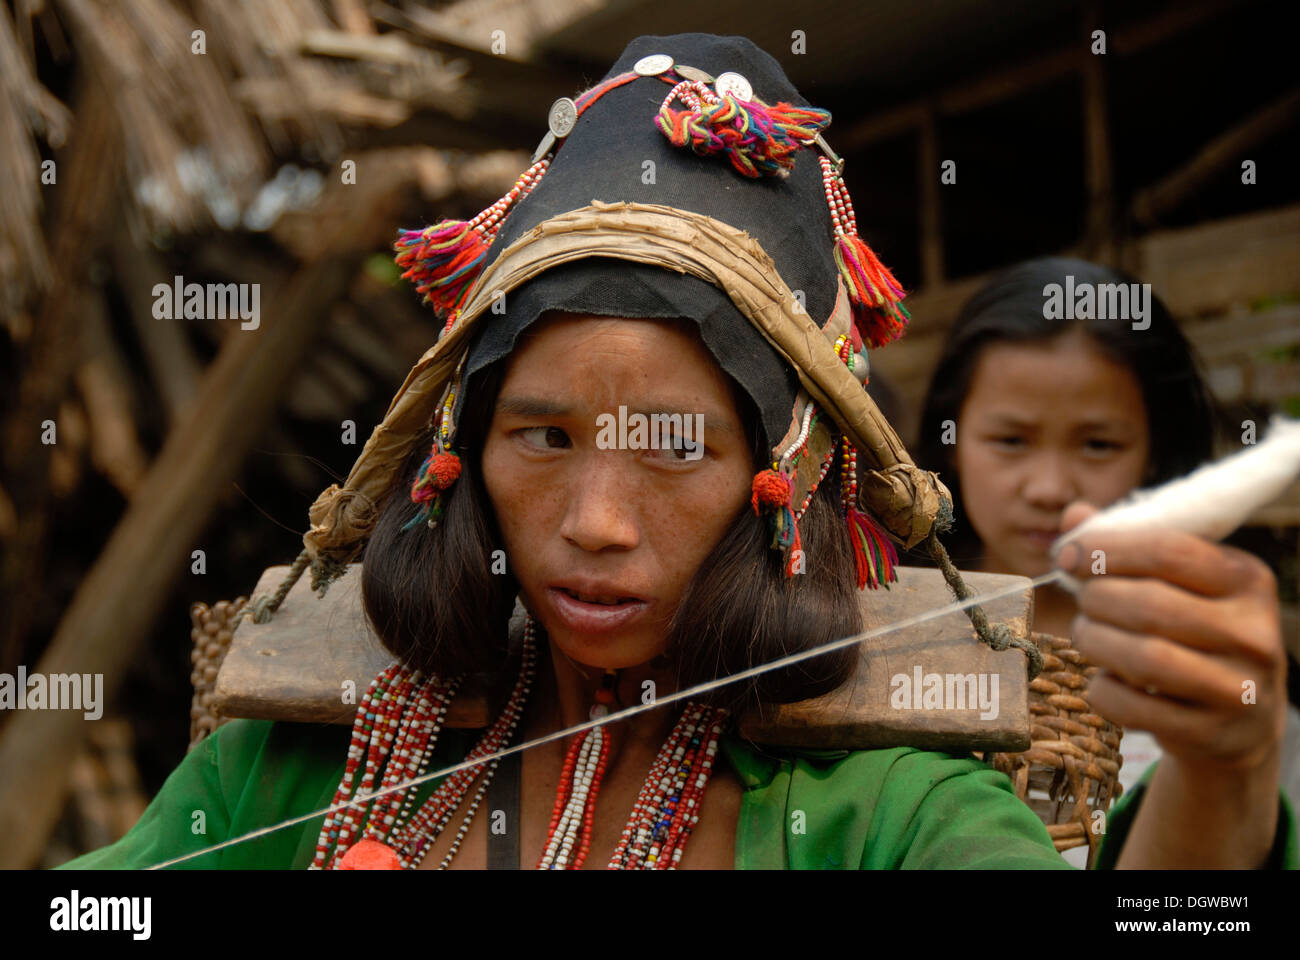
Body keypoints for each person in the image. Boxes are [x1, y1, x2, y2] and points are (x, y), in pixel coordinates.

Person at [60, 36, 1295, 871]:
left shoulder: (891, 820)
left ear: (792, 474)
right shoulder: (282, 780)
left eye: (677, 448)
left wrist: (1224, 780)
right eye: (541, 435)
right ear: (457, 446)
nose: (596, 516)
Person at [915, 256, 1300, 865]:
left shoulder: (1213, 681)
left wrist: (1231, 768)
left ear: (1153, 453)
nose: (1048, 487)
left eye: (1098, 444)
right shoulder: (883, 636)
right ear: (953, 440)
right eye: (1010, 439)